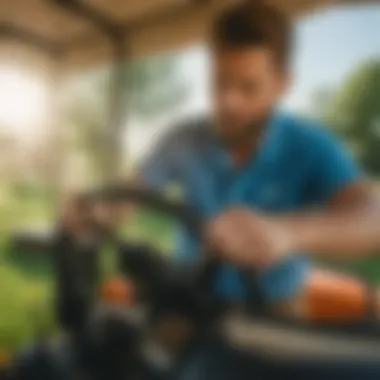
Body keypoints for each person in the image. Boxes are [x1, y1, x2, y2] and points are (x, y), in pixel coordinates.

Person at [62, 2, 380, 379]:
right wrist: (96, 212)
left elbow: (371, 218)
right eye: (219, 83)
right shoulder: (182, 138)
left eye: (247, 87)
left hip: (273, 311)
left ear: (283, 84)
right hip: (189, 300)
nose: (228, 102)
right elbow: (130, 197)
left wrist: (288, 233)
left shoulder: (312, 146)